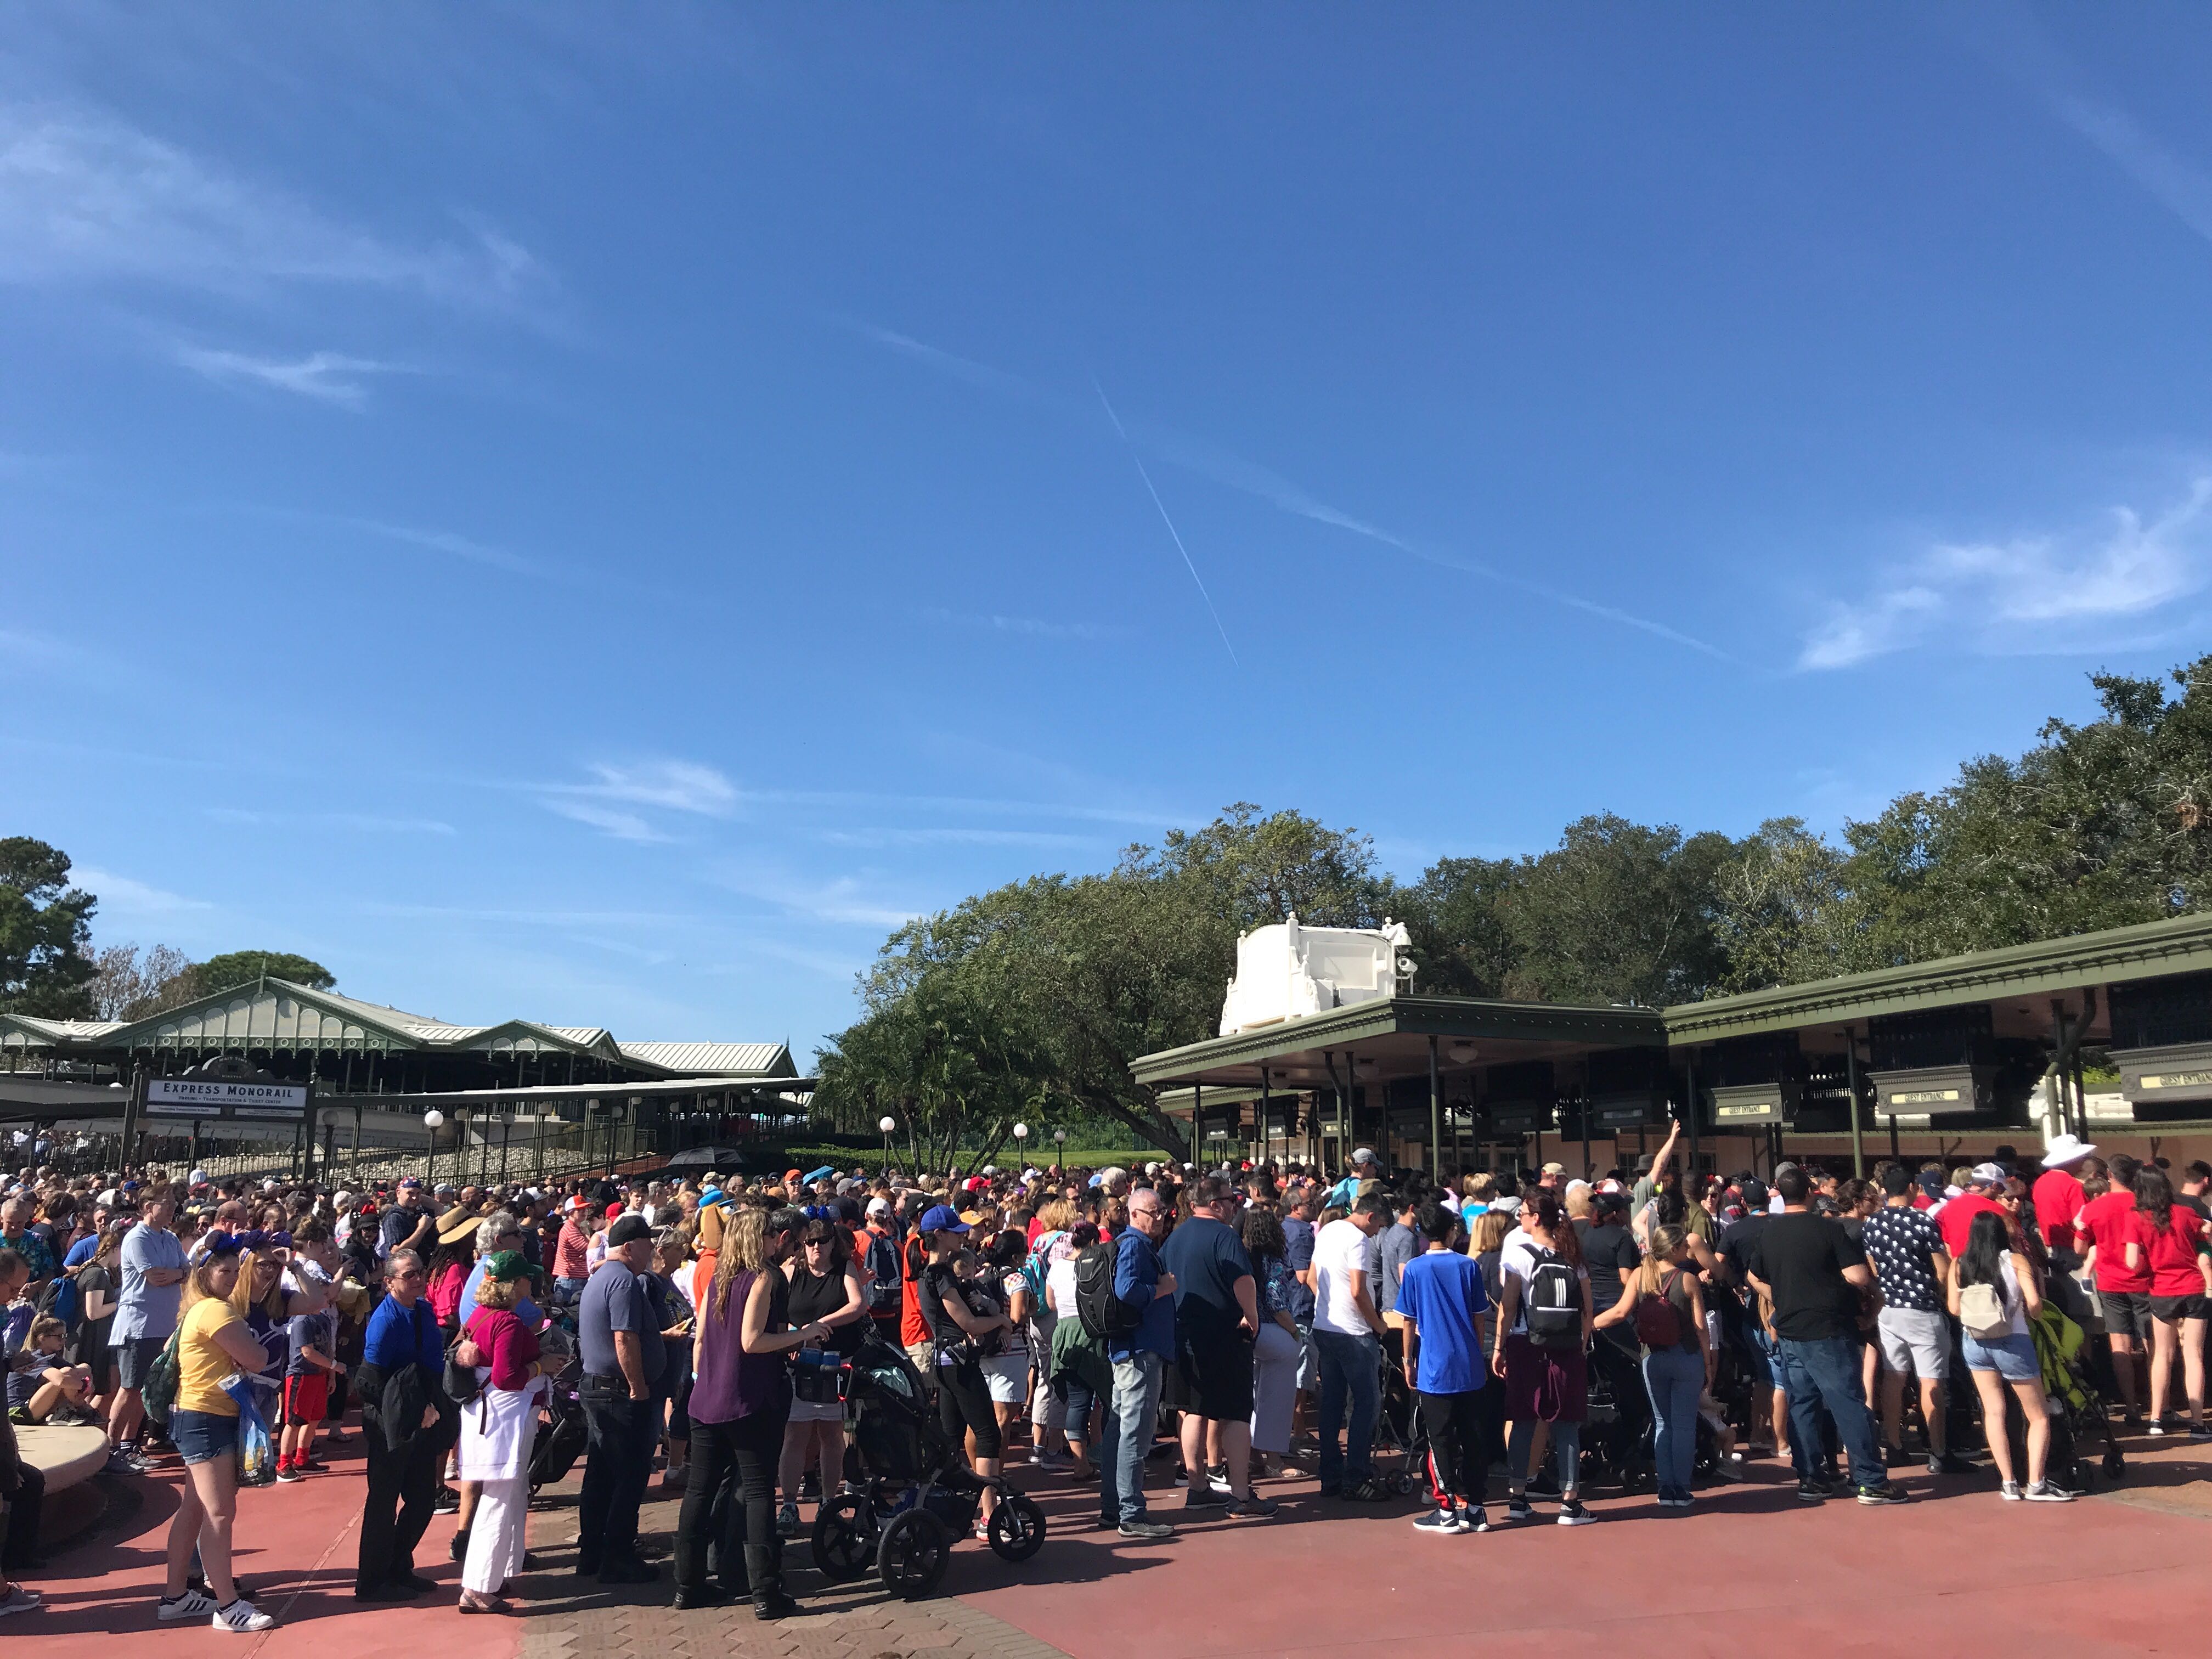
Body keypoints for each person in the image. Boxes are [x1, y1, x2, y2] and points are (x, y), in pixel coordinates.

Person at [674, 1206, 826, 1618]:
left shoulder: (719, 1278)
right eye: (769, 1235)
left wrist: (702, 1381)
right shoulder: (761, 1278)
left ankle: (687, 1584)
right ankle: (765, 1591)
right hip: (747, 1399)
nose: (775, 1242)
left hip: (706, 1400)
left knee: (699, 1490)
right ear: (758, 1238)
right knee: (759, 1492)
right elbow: (752, 1341)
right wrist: (804, 1334)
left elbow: (700, 1340)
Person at [1745, 1167, 1908, 1507]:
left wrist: (1782, 1298)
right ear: (1810, 1192)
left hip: (1791, 1329)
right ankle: (1870, 1480)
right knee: (1848, 1403)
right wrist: (1869, 1291)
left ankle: (1811, 1477)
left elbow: (1753, 1277)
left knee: (1803, 1405)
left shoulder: (1769, 1232)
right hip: (1829, 1328)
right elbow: (1857, 1275)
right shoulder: (1829, 1229)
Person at [157, 1234, 281, 1631]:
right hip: (207, 1417)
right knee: (219, 1513)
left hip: (196, 1414)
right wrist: (250, 1351)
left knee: (195, 1508)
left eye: (234, 1271)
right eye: (223, 1271)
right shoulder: (216, 1311)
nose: (230, 1277)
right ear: (205, 1273)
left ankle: (175, 1597)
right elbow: (258, 1357)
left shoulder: (197, 1309)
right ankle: (227, 1606)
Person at [1160, 1174, 1273, 1518]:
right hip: (1225, 1336)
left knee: (1193, 1410)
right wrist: (1252, 1318)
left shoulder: (1175, 1238)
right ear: (1214, 1204)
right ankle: (1241, 1495)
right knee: (1235, 1413)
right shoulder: (1225, 1237)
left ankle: (1197, 1487)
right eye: (1229, 1200)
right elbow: (1244, 1280)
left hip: (1184, 1335)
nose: (1234, 1206)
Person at [1947, 1209, 2071, 1500]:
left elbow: (1954, 1308)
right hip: (2013, 1340)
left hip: (1975, 1341)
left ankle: (2008, 1483)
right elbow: (2035, 1304)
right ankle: (2037, 1483)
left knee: (1993, 1412)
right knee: (2038, 1415)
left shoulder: (1959, 1264)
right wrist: (2031, 1313)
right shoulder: (2016, 1261)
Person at [355, 1249, 454, 1599]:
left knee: (423, 1499)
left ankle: (399, 1567)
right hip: (389, 1422)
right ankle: (372, 1582)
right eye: (409, 1275)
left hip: (423, 1414)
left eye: (421, 1272)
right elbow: (368, 1382)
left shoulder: (423, 1311)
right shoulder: (385, 1322)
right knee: (383, 1503)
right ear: (389, 1283)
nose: (418, 1279)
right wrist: (414, 1410)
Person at [1492, 1189, 1593, 1525]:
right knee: (1567, 1423)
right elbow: (1588, 1309)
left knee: (1523, 1419)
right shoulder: (1573, 1256)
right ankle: (1570, 1502)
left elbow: (1508, 1306)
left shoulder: (1519, 1255)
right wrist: (1582, 1344)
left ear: (1536, 1219)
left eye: (1522, 1214)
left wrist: (1499, 1347)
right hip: (1566, 1347)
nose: (1519, 1219)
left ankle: (1517, 1496)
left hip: (1526, 1344)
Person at [575, 1213, 667, 1583]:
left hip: (599, 1387)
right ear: (629, 1247)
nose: (652, 1251)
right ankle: (618, 1555)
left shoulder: (602, 1277)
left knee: (601, 1474)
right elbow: (624, 1337)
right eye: (648, 1244)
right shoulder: (624, 1281)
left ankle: (592, 1552)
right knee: (628, 1475)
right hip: (616, 1392)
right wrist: (638, 1387)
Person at [1396, 1198, 1495, 1533]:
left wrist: (1407, 1360)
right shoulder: (1468, 1266)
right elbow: (1479, 1318)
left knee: (1439, 1439)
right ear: (1451, 1230)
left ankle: (1448, 1507)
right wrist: (1477, 1352)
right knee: (1474, 1436)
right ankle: (1476, 1507)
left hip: (1434, 1365)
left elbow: (1408, 1321)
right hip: (1467, 1363)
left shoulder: (1415, 1269)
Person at [1859, 1165, 1966, 1474]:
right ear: (1911, 1188)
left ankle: (1894, 1444)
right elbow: (1942, 1270)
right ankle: (1939, 1451)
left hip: (1888, 1308)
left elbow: (1872, 1267)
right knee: (1931, 1381)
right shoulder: (1922, 1221)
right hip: (1922, 1307)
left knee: (1894, 1376)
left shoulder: (1872, 1223)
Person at [455, 1252, 546, 1613]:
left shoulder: (480, 1314)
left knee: (504, 1495)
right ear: (514, 1284)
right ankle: (477, 1588)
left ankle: (493, 1576)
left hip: (486, 1416)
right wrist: (541, 1366)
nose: (530, 1283)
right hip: (503, 1418)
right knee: (499, 1499)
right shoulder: (506, 1321)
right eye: (526, 1278)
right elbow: (506, 1377)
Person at [1595, 1223, 1708, 1509]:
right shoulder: (1688, 1279)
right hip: (1685, 1356)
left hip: (1652, 1357)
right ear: (1673, 1249)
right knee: (1684, 1425)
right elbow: (1700, 1328)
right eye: (1684, 1246)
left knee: (1662, 1423)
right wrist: (1708, 1363)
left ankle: (1665, 1487)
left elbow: (1620, 1312)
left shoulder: (1640, 1275)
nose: (1688, 1250)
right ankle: (1681, 1488)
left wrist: (1590, 1325)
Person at [913, 1205, 1010, 1538]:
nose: (961, 1236)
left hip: (944, 1361)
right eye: (954, 1232)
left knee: (950, 1438)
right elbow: (967, 1322)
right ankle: (989, 1516)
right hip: (958, 1361)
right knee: (987, 1434)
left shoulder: (932, 1273)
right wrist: (1001, 1320)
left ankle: (939, 1507)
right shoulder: (939, 1274)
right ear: (939, 1236)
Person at [777, 1214, 866, 1537]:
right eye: (810, 1242)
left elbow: (858, 1305)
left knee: (832, 1435)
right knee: (795, 1435)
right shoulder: (791, 1270)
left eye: (823, 1242)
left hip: (836, 1363)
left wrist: (822, 1324)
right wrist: (799, 1335)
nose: (816, 1247)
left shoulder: (844, 1269)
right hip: (800, 1364)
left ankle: (829, 1502)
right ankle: (789, 1504)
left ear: (832, 1243)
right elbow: (776, 1313)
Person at [1098, 1185, 1177, 1540]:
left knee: (1120, 1429)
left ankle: (1114, 1507)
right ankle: (1130, 1513)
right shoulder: (1134, 1245)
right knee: (1135, 1432)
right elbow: (1126, 1289)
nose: (1159, 1218)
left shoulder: (1134, 1244)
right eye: (1152, 1212)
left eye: (1161, 1211)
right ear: (1134, 1214)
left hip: (1131, 1350)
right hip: (1140, 1351)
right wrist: (1162, 1289)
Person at [1311, 1192, 1393, 1501]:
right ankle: (1356, 1476)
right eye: (1379, 1226)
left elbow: (1312, 1278)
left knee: (1332, 1403)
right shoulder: (1358, 1239)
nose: (1377, 1233)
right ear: (1370, 1217)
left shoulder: (1328, 1229)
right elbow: (1359, 1290)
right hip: (1354, 1332)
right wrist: (1378, 1324)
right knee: (1366, 1403)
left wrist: (1329, 1305)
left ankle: (1331, 1475)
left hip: (1325, 1327)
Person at [2122, 1166, 2212, 1438]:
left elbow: (2131, 1262)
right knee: (2193, 1355)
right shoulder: (2185, 1213)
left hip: (2162, 1290)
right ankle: (2197, 1423)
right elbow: (2207, 1229)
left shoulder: (2136, 1218)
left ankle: (2156, 1419)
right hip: (2194, 1287)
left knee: (2162, 1354)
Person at [108, 1191, 187, 1474]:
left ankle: (130, 1446)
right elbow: (155, 1277)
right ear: (147, 1207)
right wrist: (177, 1273)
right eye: (167, 1204)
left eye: (174, 1204)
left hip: (165, 1326)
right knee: (129, 1389)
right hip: (139, 1326)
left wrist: (176, 1273)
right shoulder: (137, 1238)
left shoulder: (171, 1238)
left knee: (146, 1390)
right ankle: (110, 1450)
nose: (172, 1209)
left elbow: (188, 1271)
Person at [2075, 1153, 2151, 1424]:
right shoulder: (2145, 1203)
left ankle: (2131, 1406)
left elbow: (2079, 1247)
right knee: (2152, 1342)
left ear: (2109, 1175)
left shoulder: (2094, 1207)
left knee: (2120, 1345)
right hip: (2145, 1279)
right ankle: (2159, 1404)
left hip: (2110, 1282)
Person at [1239, 1204, 1302, 1479]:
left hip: (1248, 1331)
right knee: (1277, 1400)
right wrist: (1295, 1332)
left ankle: (1253, 1455)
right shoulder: (1274, 1258)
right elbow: (1275, 1300)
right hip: (1274, 1330)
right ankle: (1274, 1461)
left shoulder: (1242, 1255)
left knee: (1254, 1396)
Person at [2033, 1135, 2097, 1265]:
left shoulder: (2040, 1183)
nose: (2083, 1160)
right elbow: (2083, 1222)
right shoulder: (2073, 1185)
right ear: (2071, 1160)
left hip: (2051, 1249)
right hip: (2074, 1250)